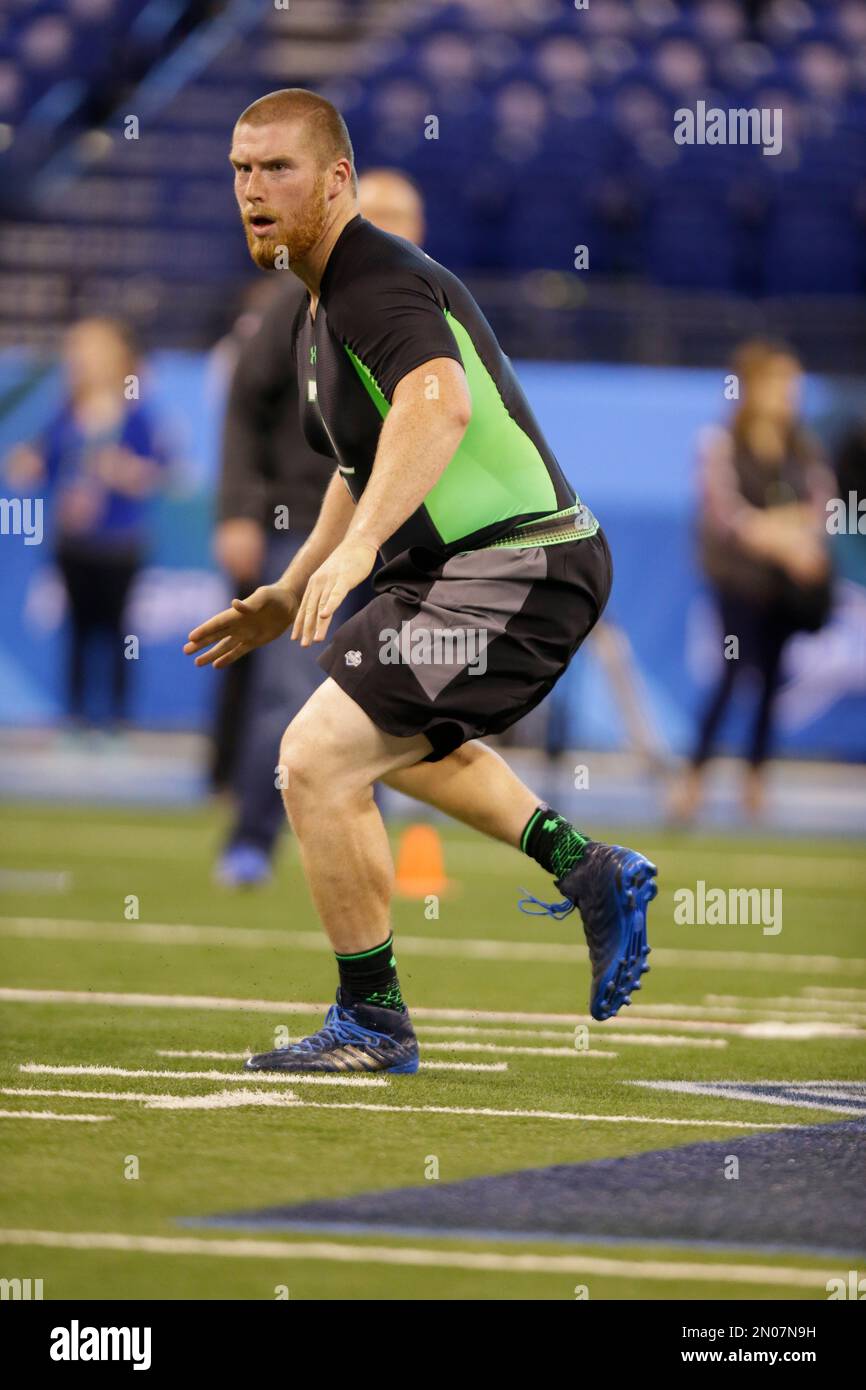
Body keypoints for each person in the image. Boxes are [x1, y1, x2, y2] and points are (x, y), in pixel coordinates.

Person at [184, 88, 657, 1073]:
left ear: (338, 179)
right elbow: (356, 470)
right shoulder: (316, 313)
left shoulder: (371, 280)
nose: (252, 190)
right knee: (371, 745)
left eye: (277, 168)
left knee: (315, 754)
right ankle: (587, 869)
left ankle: (373, 1021)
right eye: (240, 169)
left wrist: (358, 555)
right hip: (472, 569)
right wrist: (294, 583)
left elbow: (432, 409)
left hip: (519, 563)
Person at [212, 169, 426, 887]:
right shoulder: (296, 301)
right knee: (286, 686)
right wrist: (240, 508)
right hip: (306, 526)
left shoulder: (426, 307)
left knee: (390, 693)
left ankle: (366, 839)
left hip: (399, 539)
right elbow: (245, 406)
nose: (392, 225)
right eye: (381, 211)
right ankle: (251, 838)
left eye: (405, 215)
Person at [671, 340, 833, 822]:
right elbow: (726, 514)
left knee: (771, 682)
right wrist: (784, 537)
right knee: (731, 674)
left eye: (794, 385)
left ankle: (755, 781)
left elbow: (821, 506)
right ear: (754, 388)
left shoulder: (803, 447)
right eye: (782, 383)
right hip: (739, 582)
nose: (790, 394)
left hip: (784, 587)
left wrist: (796, 539)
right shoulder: (720, 441)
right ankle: (694, 778)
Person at [6, 317, 168, 730]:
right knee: (77, 630)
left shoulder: (135, 411)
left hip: (120, 540)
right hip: (74, 541)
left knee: (117, 630)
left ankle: (117, 717)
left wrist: (124, 472)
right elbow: (42, 463)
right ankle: (76, 717)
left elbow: (159, 470)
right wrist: (29, 465)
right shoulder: (65, 411)